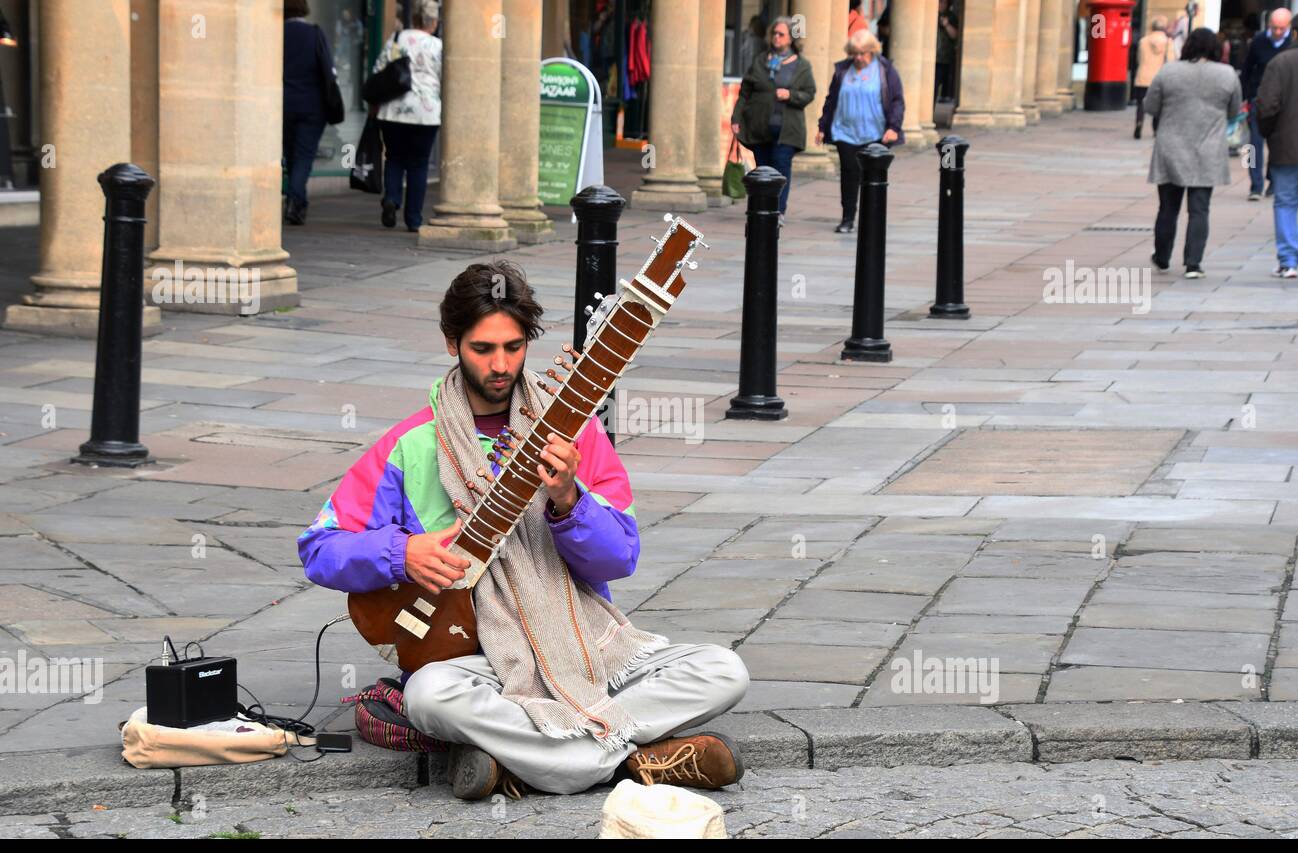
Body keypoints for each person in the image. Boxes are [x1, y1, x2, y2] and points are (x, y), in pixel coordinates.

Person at [298, 261, 750, 801]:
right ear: (451, 344)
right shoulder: (409, 446)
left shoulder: (573, 433)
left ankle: (542, 760)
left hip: (580, 647)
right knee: (429, 697)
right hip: (480, 659)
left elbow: (619, 558)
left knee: (723, 670)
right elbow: (319, 548)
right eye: (483, 349)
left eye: (513, 347)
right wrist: (401, 551)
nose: (500, 365)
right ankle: (631, 761)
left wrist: (568, 501)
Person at [1143, 27, 1243, 279]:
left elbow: (1150, 105)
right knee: (1200, 209)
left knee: (1167, 208)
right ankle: (1193, 263)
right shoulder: (1227, 74)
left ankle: (1162, 257)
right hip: (1207, 149)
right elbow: (1234, 111)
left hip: (1171, 148)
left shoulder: (1169, 71)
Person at [816, 29, 905, 234]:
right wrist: (822, 126)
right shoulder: (843, 71)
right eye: (854, 53)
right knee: (849, 174)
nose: (857, 57)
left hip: (875, 133)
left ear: (872, 51)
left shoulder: (885, 70)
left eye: (862, 53)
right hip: (845, 132)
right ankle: (847, 218)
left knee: (872, 177)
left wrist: (893, 127)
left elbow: (897, 101)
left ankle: (872, 219)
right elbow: (831, 100)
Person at [730, 17, 817, 225]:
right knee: (762, 170)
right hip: (759, 127)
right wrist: (736, 117)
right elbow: (745, 92)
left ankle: (778, 211)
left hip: (786, 130)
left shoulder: (801, 65)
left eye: (781, 34)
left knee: (780, 169)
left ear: (790, 39)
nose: (776, 38)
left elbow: (809, 93)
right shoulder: (761, 60)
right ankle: (762, 208)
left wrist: (790, 95)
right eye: (774, 34)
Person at [372, 0, 442, 232]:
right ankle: (413, 219)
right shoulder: (437, 46)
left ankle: (392, 198)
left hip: (393, 109)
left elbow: (378, 70)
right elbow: (448, 79)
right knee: (419, 164)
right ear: (432, 22)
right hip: (426, 113)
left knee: (394, 157)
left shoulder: (396, 39)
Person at [282, 0, 334, 226]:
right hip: (312, 106)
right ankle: (295, 200)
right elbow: (328, 69)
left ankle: (295, 199)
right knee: (304, 156)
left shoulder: (276, 34)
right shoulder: (314, 33)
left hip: (283, 105)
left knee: (292, 155)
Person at [1255, 39, 1298, 277]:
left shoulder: (1280, 62)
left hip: (1287, 145)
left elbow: (1267, 105)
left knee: (1285, 201)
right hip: (1287, 143)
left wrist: (1268, 132)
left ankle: (1289, 261)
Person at [1242, 8, 1295, 200]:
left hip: (1284, 103)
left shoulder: (1293, 44)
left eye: (1282, 28)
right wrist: (1246, 97)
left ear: (1289, 27)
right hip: (1259, 100)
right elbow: (1247, 69)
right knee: (1252, 145)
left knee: (1278, 144)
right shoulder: (1259, 41)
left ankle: (1273, 181)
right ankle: (1255, 185)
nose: (1278, 32)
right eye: (1274, 28)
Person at [1134, 17, 1173, 139]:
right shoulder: (1167, 42)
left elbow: (1139, 59)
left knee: (1140, 104)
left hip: (1143, 76)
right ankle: (1156, 129)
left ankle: (1139, 123)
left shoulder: (1143, 41)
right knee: (1160, 104)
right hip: (1159, 78)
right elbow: (1171, 61)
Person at [936, 0, 960, 101]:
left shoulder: (951, 17)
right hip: (931, 59)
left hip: (946, 59)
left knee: (946, 94)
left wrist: (946, 25)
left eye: (943, 2)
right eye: (939, 2)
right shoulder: (930, 14)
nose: (941, 5)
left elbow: (955, 35)